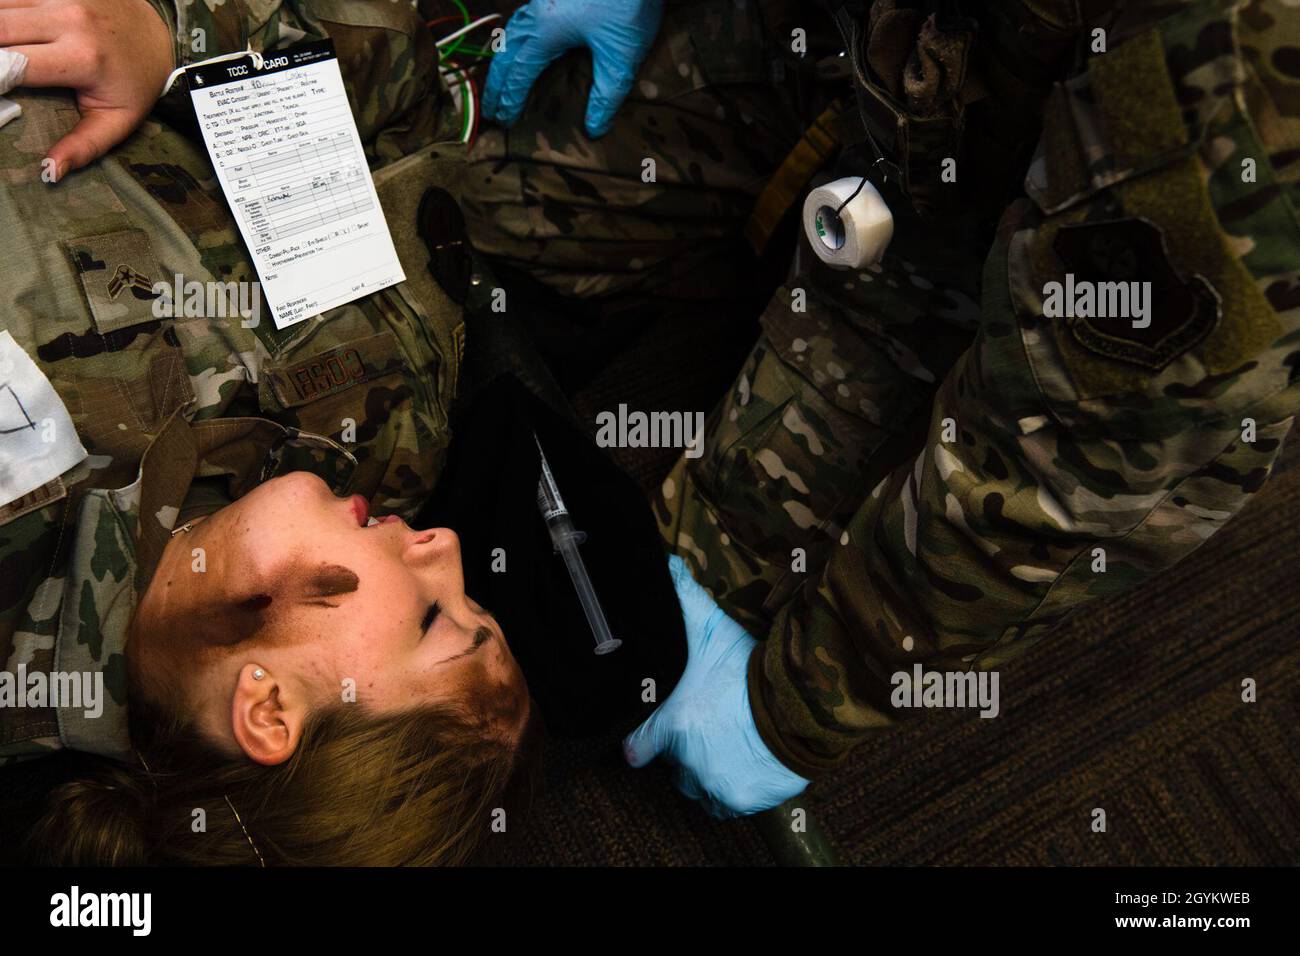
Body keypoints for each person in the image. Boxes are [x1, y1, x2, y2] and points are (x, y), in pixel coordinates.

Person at [469, 0, 1300, 815]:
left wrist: (794, 714)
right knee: (498, 201)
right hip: (900, 100)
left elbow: (1070, 457)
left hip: (1106, 341)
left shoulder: (1239, 67)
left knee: (683, 624)